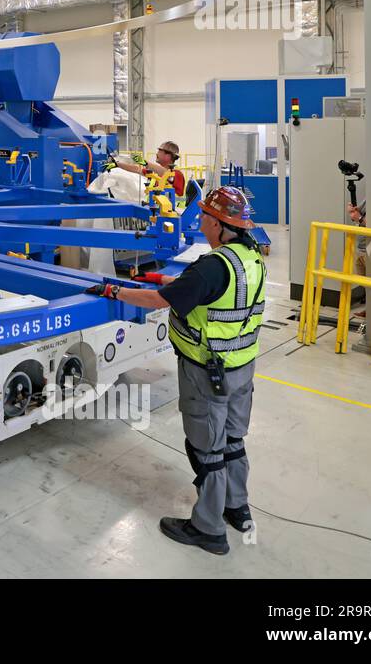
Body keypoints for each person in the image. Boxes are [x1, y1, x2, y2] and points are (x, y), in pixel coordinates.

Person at [86, 185, 265, 556]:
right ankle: (237, 508)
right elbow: (208, 291)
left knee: (207, 449)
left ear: (219, 225)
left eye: (204, 217)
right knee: (233, 441)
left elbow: (160, 302)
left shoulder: (213, 266)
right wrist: (169, 281)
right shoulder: (251, 258)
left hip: (206, 372)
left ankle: (208, 528)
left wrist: (116, 292)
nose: (200, 221)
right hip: (241, 369)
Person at [114, 140, 185, 196]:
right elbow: (136, 169)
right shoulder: (156, 173)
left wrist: (144, 163)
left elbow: (164, 172)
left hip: (176, 212)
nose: (157, 154)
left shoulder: (177, 174)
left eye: (160, 151)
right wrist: (116, 164)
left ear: (168, 156)